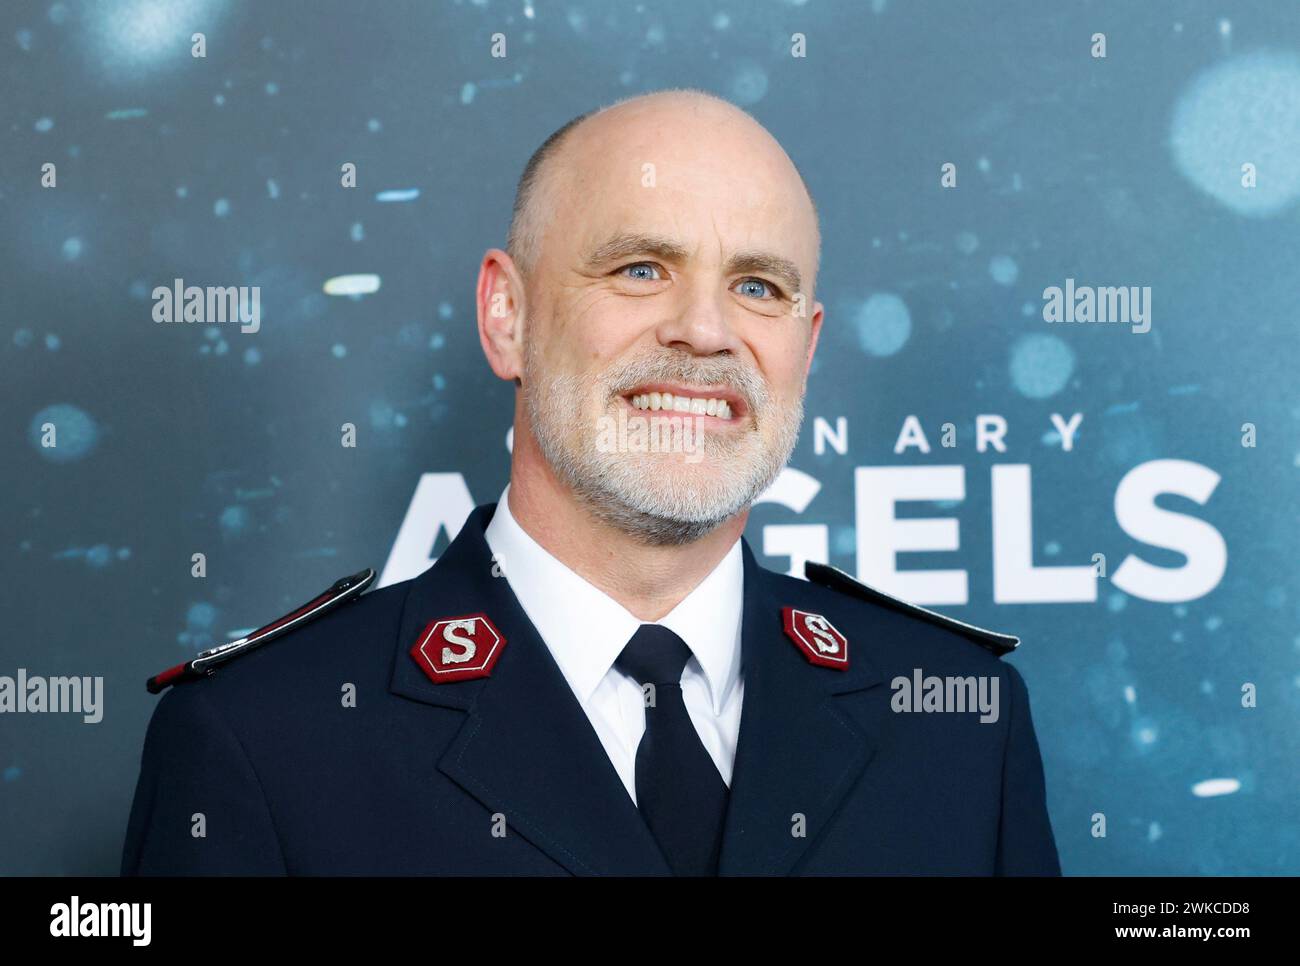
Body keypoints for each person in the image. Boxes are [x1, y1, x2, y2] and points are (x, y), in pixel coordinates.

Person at [121, 88, 1061, 876]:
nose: (705, 330)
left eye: (758, 287)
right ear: (507, 316)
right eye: (642, 268)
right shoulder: (268, 737)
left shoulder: (955, 720)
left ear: (806, 349)